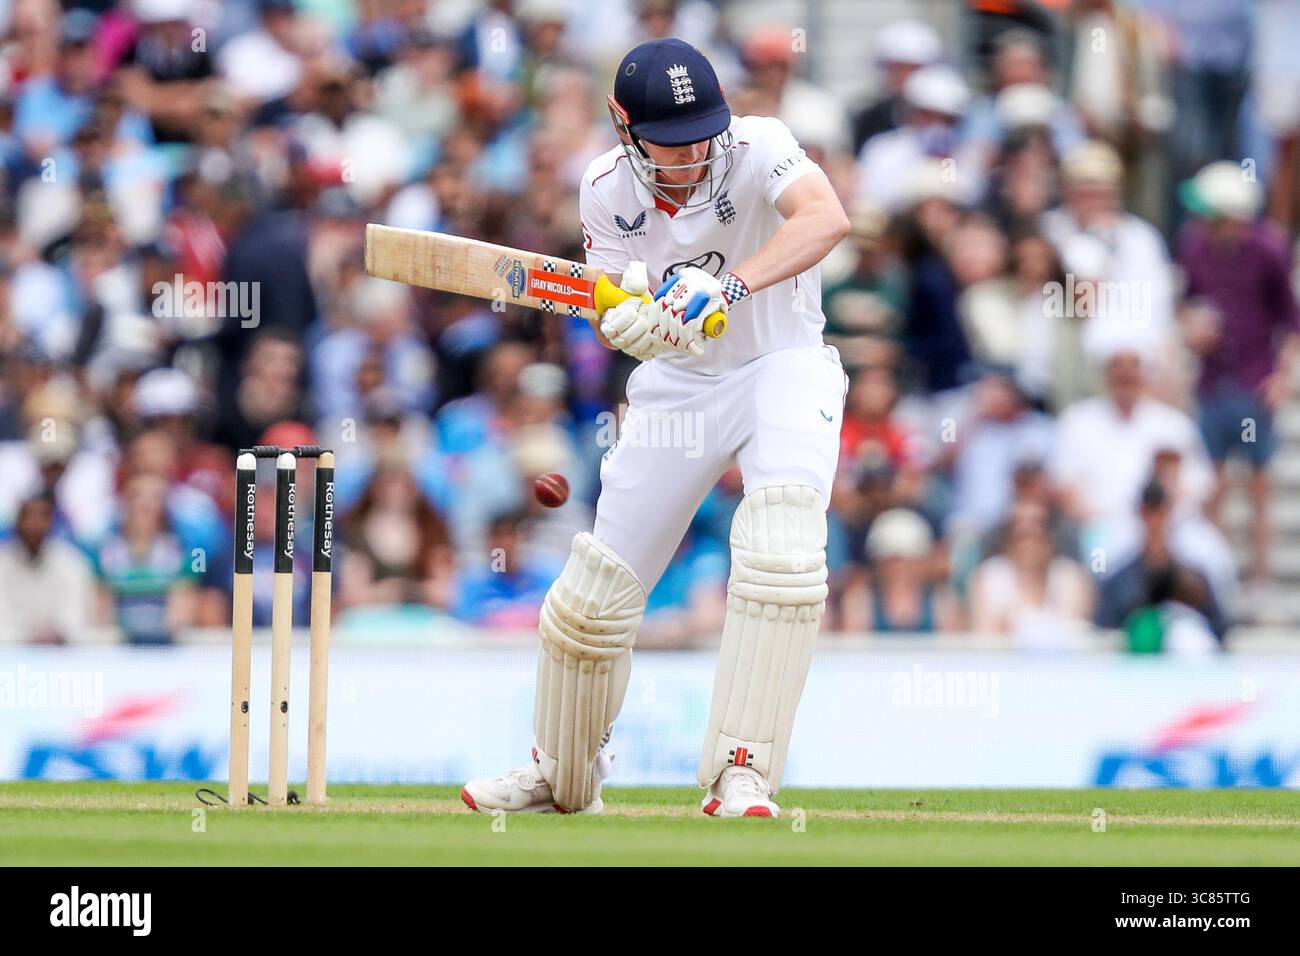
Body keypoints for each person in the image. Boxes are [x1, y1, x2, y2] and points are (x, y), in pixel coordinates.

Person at [462, 37, 850, 819]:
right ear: (622, 125)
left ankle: (743, 770)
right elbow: (610, 301)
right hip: (679, 386)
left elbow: (826, 219)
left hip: (782, 362)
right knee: (592, 597)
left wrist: (728, 287)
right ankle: (563, 773)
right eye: (671, 144)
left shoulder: (759, 144)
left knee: (781, 555)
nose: (693, 155)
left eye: (702, 134)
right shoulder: (604, 188)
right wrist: (632, 327)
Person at [1176, 162, 1300, 583]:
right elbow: (1185, 302)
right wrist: (1192, 327)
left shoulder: (1268, 251)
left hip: (1253, 382)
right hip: (1213, 382)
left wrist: (1281, 378)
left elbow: (1290, 320)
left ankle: (1261, 580)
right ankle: (1218, 575)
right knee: (1214, 485)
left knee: (1259, 488)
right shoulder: (1194, 247)